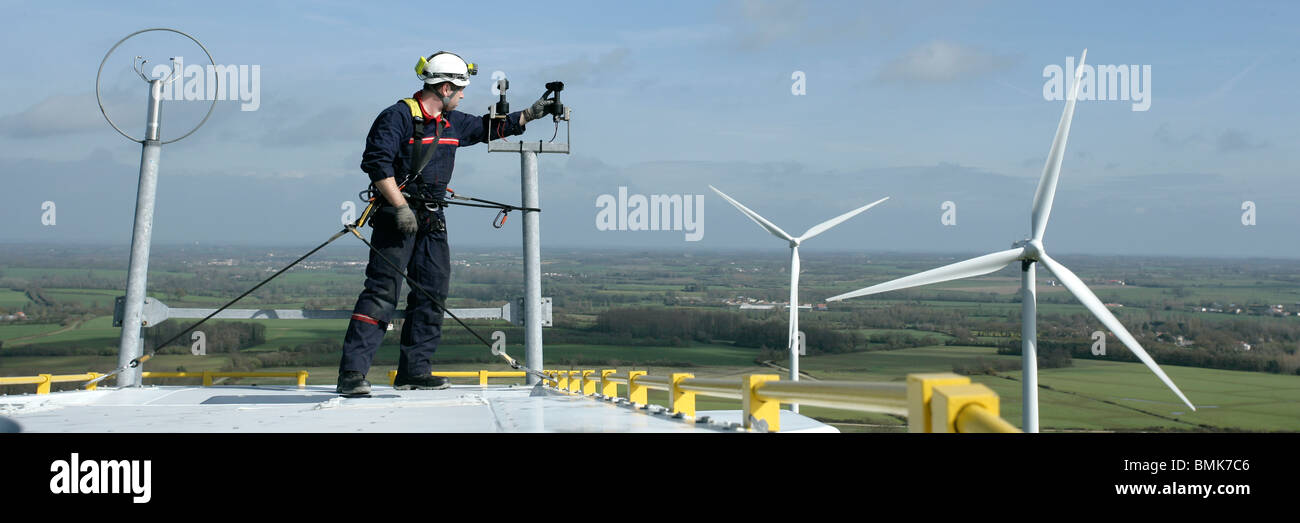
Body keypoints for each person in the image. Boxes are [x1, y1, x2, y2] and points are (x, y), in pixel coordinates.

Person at [337, 51, 553, 394]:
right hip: (397, 218)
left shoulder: (452, 123)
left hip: (433, 217)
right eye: (462, 89)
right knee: (381, 292)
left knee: (432, 293)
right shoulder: (396, 118)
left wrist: (529, 114)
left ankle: (415, 372)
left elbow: (488, 128)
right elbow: (377, 165)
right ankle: (351, 376)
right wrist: (400, 206)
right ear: (447, 87)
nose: (464, 95)